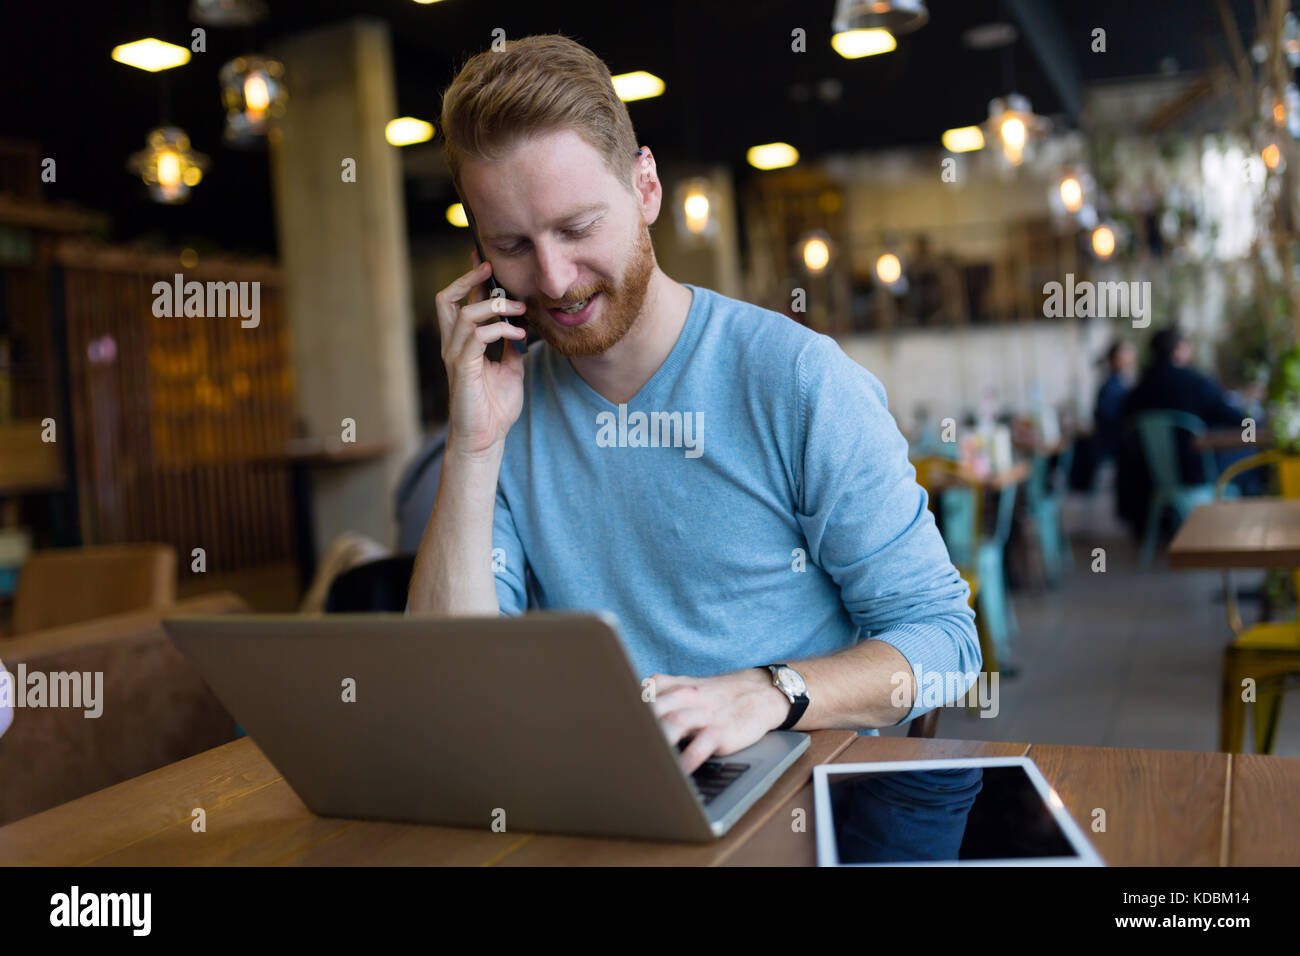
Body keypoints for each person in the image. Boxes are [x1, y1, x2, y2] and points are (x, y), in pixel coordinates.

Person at [407, 35, 979, 773]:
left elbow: (945, 641)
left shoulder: (797, 381)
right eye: (512, 244)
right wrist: (473, 445)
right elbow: (456, 688)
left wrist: (772, 691)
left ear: (645, 187)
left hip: (790, 803)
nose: (552, 279)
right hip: (598, 798)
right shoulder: (504, 413)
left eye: (578, 229)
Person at [1116, 326, 1247, 534]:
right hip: (1195, 471)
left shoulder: (1136, 391)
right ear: (1178, 350)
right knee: (1247, 459)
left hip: (1148, 481)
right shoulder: (1195, 382)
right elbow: (1234, 418)